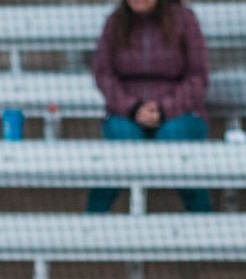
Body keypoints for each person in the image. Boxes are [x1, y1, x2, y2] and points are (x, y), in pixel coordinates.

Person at [89, 0, 213, 214]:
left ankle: (205, 226)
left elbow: (198, 77)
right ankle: (89, 225)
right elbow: (103, 75)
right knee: (121, 141)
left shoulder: (184, 19)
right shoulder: (114, 22)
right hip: (126, 113)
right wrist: (133, 108)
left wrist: (165, 109)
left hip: (179, 113)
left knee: (175, 139)